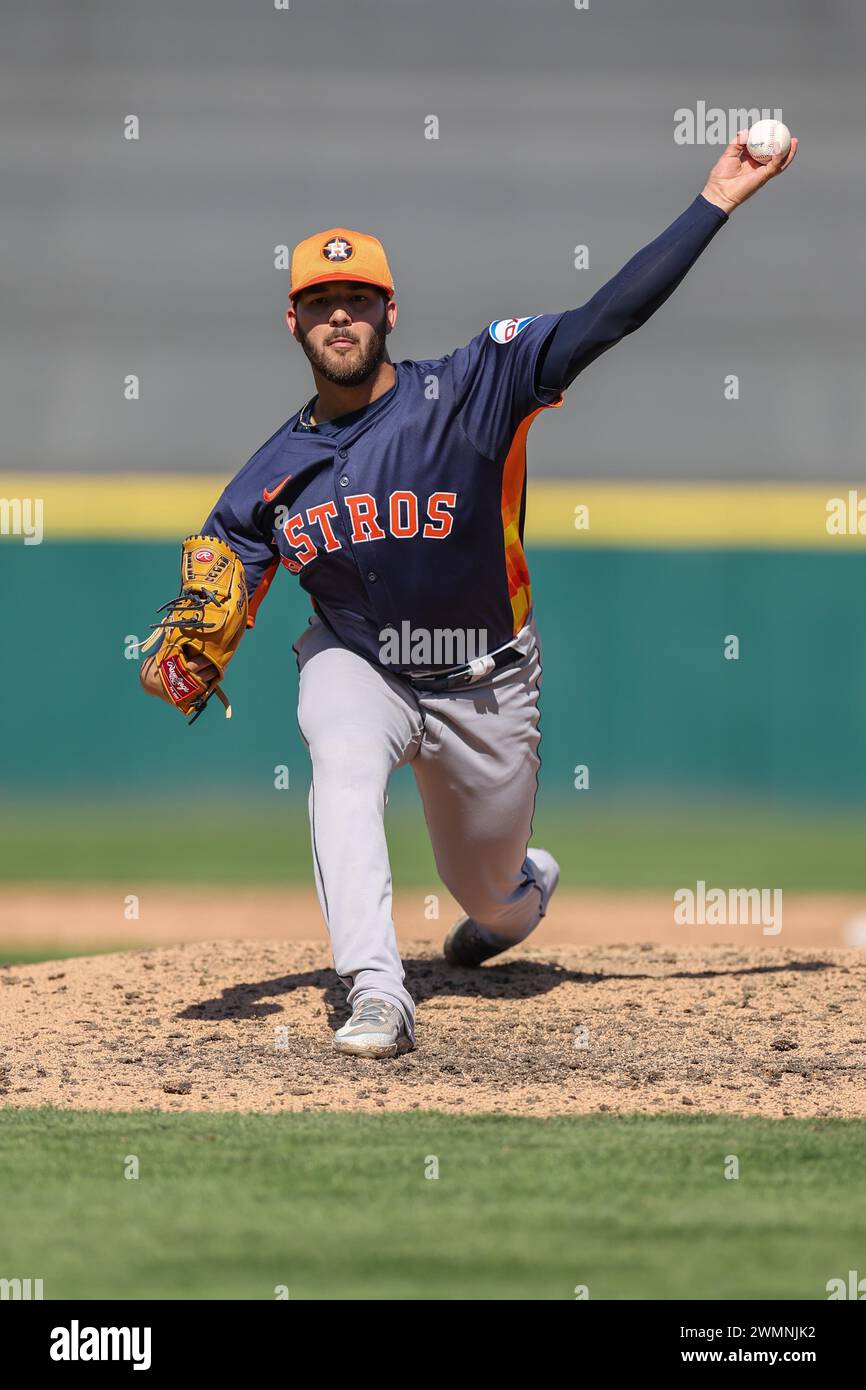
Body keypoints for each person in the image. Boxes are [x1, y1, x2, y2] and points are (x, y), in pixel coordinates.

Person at [141, 131, 797, 1058]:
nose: (340, 317)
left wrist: (715, 201)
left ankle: (518, 891)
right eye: (320, 302)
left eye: (357, 300)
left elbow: (604, 317)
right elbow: (221, 575)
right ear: (293, 322)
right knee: (337, 748)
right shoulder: (265, 478)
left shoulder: (472, 388)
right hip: (359, 662)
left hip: (484, 683)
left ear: (389, 311)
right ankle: (376, 991)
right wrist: (186, 645)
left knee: (485, 889)